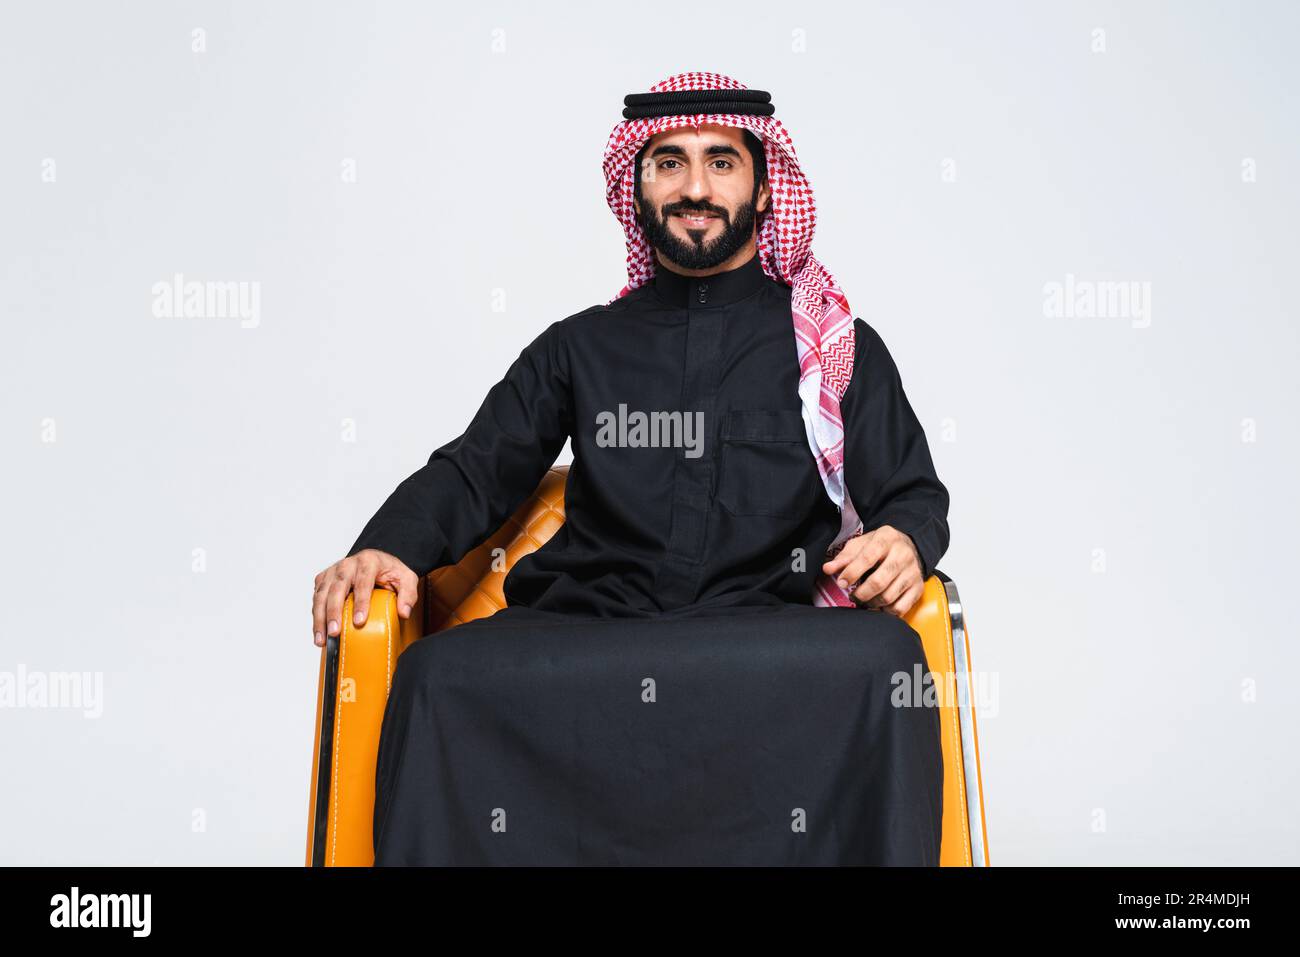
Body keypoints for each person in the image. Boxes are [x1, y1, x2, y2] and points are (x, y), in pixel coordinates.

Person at [310, 73, 951, 865]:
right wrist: (388, 545)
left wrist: (906, 539)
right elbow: (475, 469)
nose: (694, 186)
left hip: (760, 639)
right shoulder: (578, 347)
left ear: (761, 187)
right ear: (636, 185)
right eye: (668, 162)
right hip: (588, 633)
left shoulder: (832, 344)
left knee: (886, 664)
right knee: (436, 676)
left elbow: (913, 493)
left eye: (721, 162)